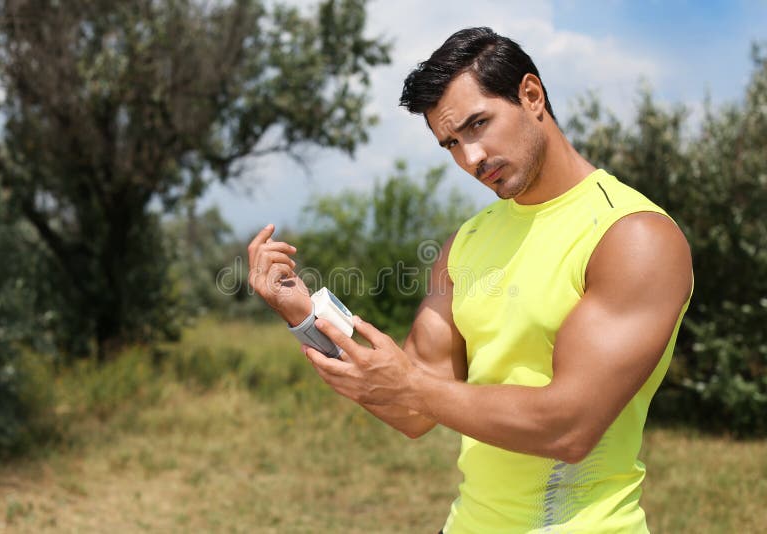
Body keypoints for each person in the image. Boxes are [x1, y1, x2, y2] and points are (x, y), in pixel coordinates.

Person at [247, 27, 693, 533]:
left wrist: (413, 385)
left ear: (531, 95)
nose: (471, 159)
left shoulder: (632, 235)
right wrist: (305, 314)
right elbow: (411, 409)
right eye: (451, 144)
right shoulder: (468, 241)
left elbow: (570, 427)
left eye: (479, 124)